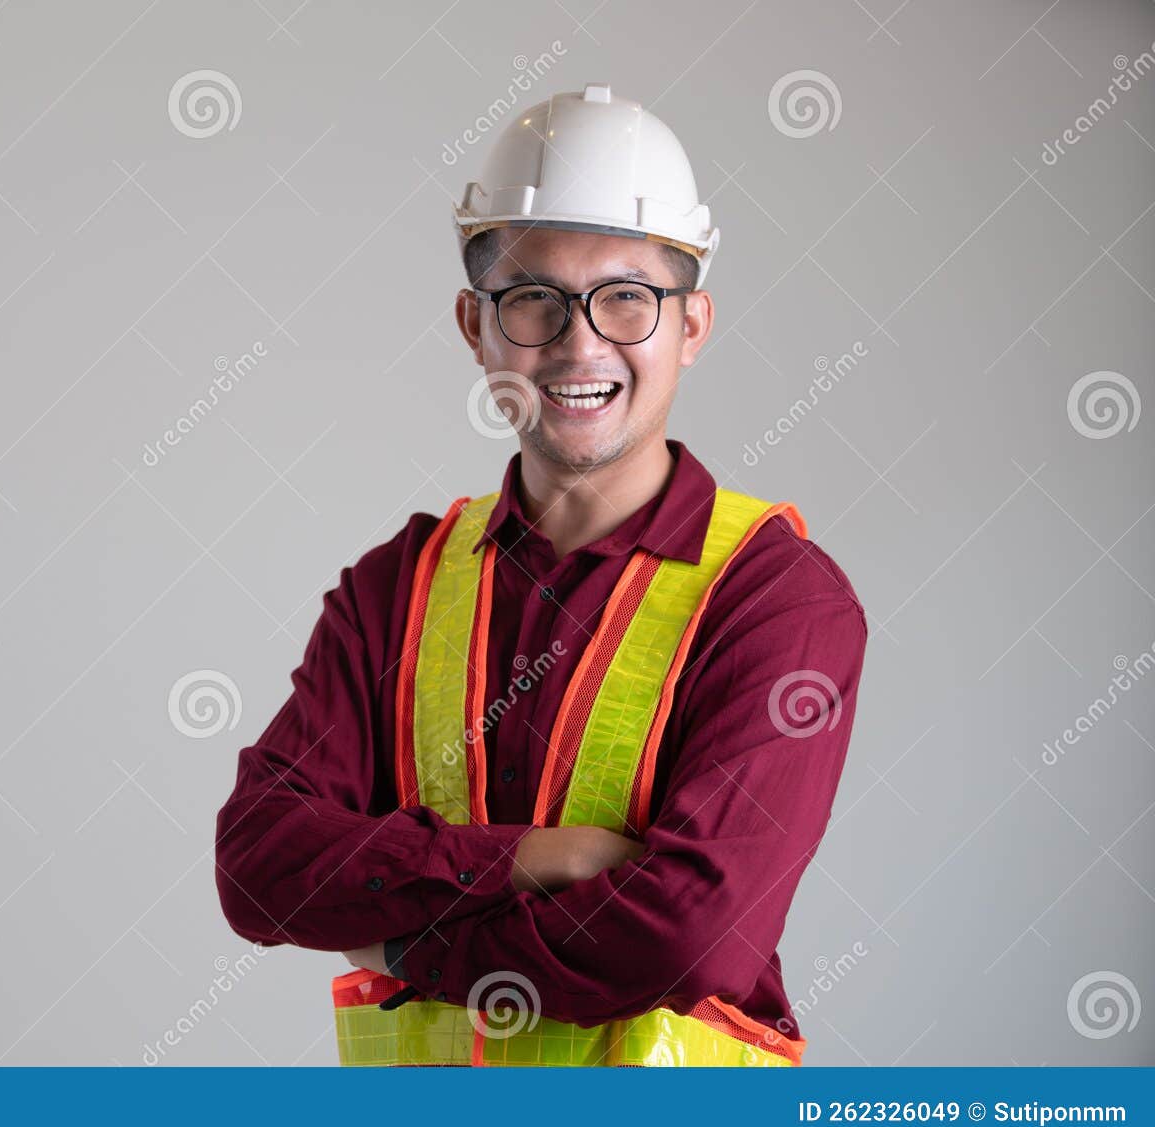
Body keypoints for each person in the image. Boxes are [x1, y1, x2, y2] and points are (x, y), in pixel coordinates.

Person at [214, 83, 868, 1066]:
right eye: (532, 299)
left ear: (690, 324)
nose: (579, 341)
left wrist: (399, 935)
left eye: (627, 297)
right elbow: (258, 865)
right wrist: (525, 856)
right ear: (474, 326)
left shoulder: (777, 600)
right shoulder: (395, 588)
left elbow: (692, 933)